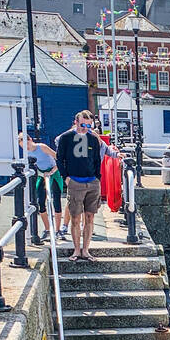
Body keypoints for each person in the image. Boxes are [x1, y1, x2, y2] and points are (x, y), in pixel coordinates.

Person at [55, 109, 103, 261]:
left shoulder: (93, 139)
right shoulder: (66, 138)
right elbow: (59, 159)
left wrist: (97, 178)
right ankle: (76, 250)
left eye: (88, 126)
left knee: (90, 217)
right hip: (75, 181)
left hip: (92, 181)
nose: (85, 128)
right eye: (82, 124)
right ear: (76, 122)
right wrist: (66, 177)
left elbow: (97, 159)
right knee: (75, 217)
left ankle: (86, 250)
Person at [18, 131, 64, 238]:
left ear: (30, 140)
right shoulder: (26, 154)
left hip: (54, 173)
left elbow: (59, 158)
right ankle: (47, 229)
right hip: (41, 174)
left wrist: (52, 171)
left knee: (56, 200)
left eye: (27, 145)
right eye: (23, 147)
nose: (27, 148)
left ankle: (57, 230)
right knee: (40, 202)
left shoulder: (42, 147)